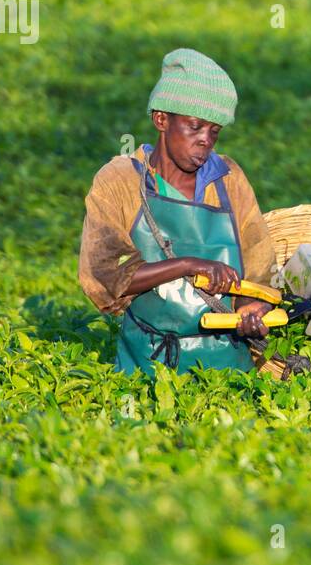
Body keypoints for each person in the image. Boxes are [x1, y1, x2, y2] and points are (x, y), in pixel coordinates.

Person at [77, 48, 278, 374]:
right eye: (195, 126)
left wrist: (252, 312)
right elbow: (104, 277)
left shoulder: (228, 179)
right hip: (148, 365)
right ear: (161, 119)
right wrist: (185, 265)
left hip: (228, 367)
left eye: (215, 131)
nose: (205, 141)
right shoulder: (120, 181)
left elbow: (259, 267)